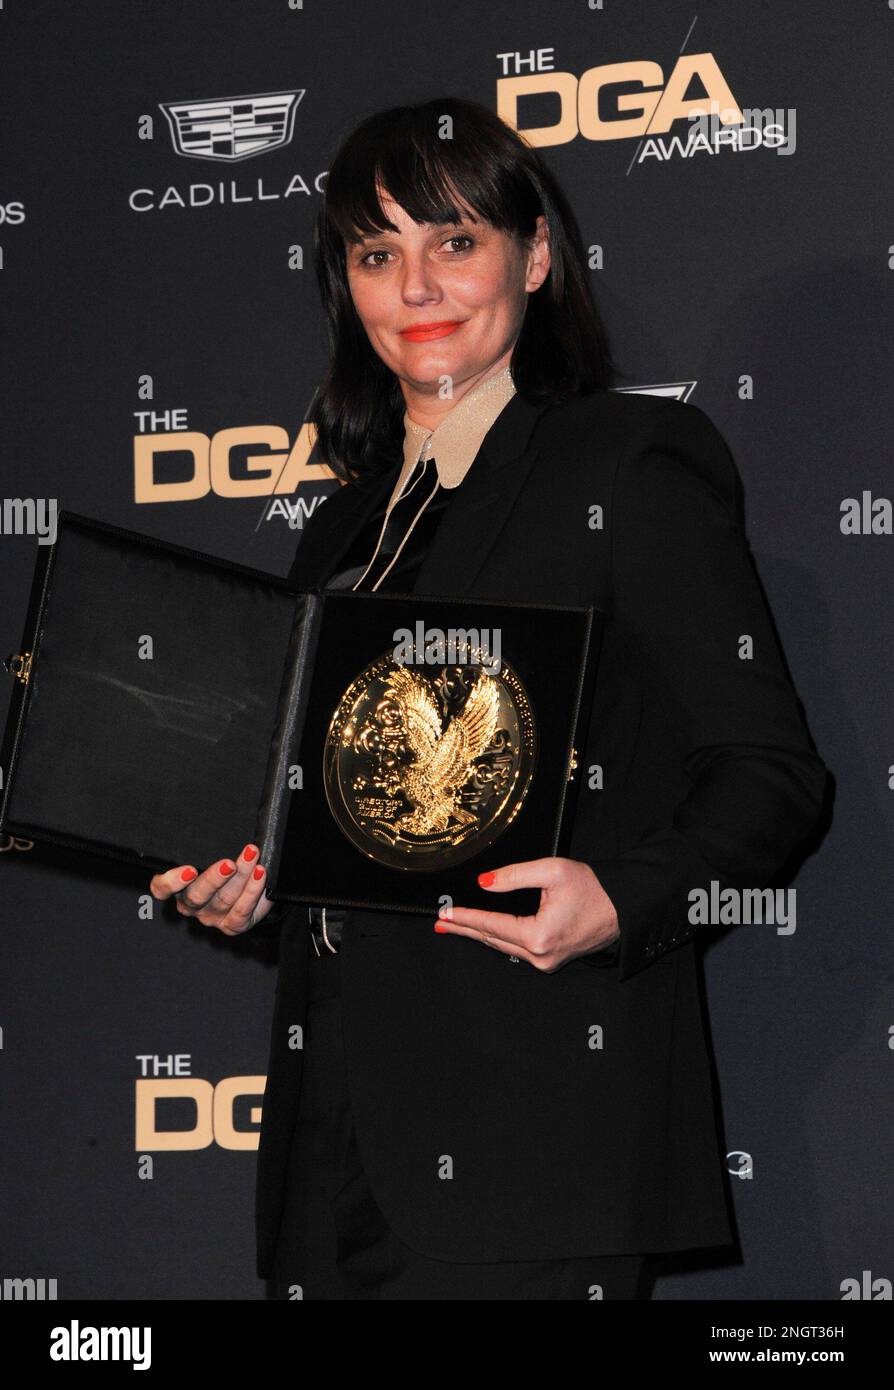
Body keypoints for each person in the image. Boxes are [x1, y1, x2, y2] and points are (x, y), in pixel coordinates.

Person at [149, 97, 828, 1300]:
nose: (416, 284)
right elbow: (349, 829)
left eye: (454, 240)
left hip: (537, 1135)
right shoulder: (340, 526)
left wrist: (622, 897)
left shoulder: (625, 463)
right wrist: (250, 887)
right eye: (376, 252)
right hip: (331, 1152)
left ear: (537, 254)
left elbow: (769, 771)